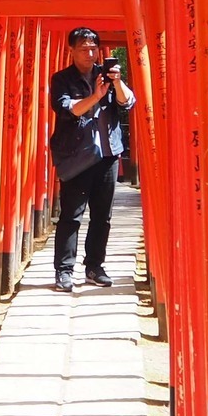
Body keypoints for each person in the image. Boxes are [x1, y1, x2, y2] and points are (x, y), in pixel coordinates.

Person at [47, 26, 134, 292]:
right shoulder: (61, 79)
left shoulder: (106, 75)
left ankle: (95, 266)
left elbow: (127, 103)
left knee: (102, 216)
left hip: (106, 154)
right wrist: (94, 97)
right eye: (83, 48)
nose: (89, 52)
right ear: (71, 50)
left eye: (93, 48)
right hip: (76, 156)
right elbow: (67, 110)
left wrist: (116, 83)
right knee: (72, 215)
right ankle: (64, 270)